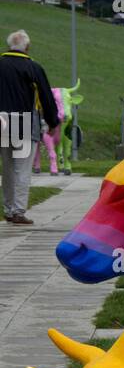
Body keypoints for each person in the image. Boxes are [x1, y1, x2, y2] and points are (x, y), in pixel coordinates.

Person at [0, 30, 61, 225]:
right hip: (25, 122)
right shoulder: (33, 67)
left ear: (9, 45)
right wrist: (52, 122)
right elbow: (46, 97)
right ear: (27, 47)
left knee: (7, 168)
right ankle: (18, 210)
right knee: (22, 168)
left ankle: (8, 209)